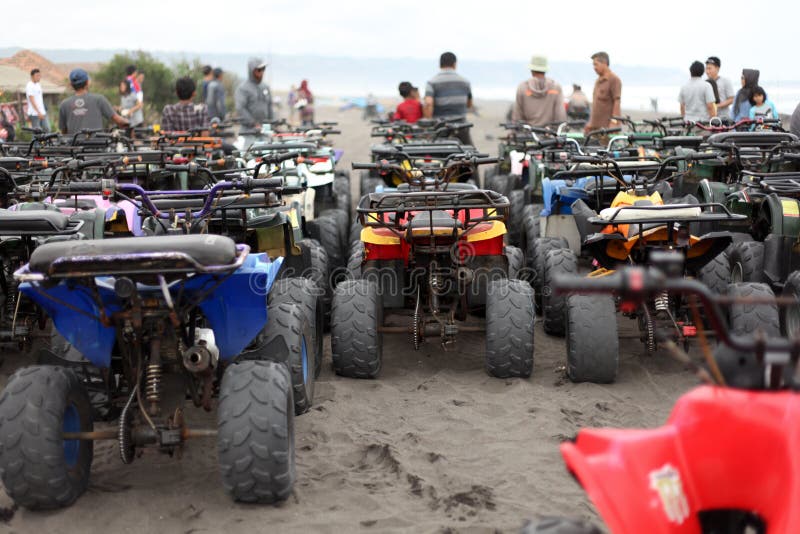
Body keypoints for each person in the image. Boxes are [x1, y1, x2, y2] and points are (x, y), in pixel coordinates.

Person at [424, 51, 473, 144]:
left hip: (441, 126)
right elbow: (469, 104)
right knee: (469, 153)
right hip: (461, 126)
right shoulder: (465, 82)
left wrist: (429, 123)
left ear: (440, 64)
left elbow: (428, 103)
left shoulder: (432, 82)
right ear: (455, 64)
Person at [58, 69, 128, 134]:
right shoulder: (99, 99)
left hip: (74, 145)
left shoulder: (64, 104)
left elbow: (64, 131)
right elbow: (117, 120)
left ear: (71, 85)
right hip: (97, 145)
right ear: (87, 82)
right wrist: (128, 123)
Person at [511, 55, 566, 126]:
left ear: (531, 70)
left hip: (529, 133)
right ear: (545, 70)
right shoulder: (556, 87)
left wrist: (515, 131)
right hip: (550, 133)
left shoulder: (522, 87)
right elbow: (560, 114)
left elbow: (517, 115)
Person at [585, 51, 622, 134]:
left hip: (607, 129)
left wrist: (614, 123)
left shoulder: (614, 80)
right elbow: (596, 105)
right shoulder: (598, 81)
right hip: (595, 129)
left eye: (596, 64)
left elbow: (617, 102)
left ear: (604, 63)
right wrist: (590, 123)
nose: (594, 67)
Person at [235, 58, 272, 127]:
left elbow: (269, 106)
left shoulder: (265, 87)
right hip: (248, 132)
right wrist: (253, 123)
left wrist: (272, 124)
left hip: (265, 129)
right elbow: (240, 108)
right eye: (259, 70)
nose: (262, 72)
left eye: (263, 69)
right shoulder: (243, 88)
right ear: (252, 71)